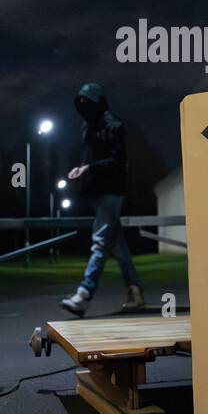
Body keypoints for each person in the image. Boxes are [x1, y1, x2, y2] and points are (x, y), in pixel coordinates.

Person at [60, 83, 142, 314]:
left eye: (88, 103)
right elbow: (91, 159)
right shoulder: (90, 127)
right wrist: (83, 169)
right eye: (81, 104)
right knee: (117, 244)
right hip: (98, 190)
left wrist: (89, 169)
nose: (84, 109)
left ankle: (84, 294)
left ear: (98, 102)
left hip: (112, 191)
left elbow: (118, 161)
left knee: (99, 241)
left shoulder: (113, 126)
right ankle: (135, 290)